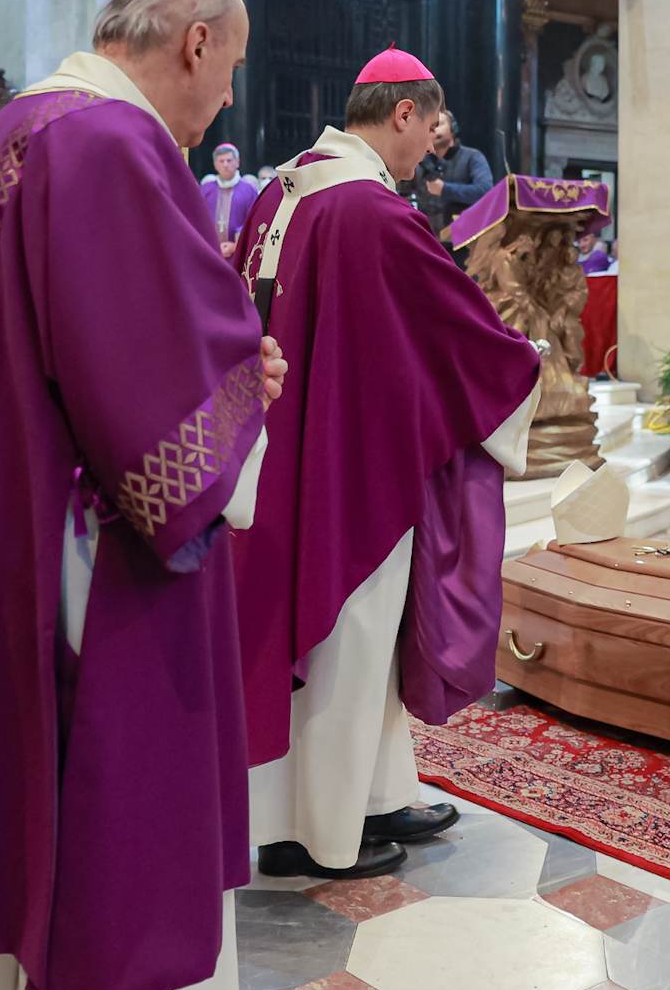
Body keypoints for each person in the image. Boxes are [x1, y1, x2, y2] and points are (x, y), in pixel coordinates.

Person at [0, 0, 286, 990]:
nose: (224, 95)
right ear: (193, 42)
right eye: (228, 67)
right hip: (84, 560)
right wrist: (244, 377)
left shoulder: (14, 127)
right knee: (90, 848)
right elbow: (143, 387)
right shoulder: (112, 142)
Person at [232, 46, 542, 881]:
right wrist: (525, 362)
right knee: (354, 631)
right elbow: (453, 323)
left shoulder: (279, 189)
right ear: (403, 112)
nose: (425, 151)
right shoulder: (372, 210)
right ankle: (322, 832)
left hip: (280, 439)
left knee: (335, 632)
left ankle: (372, 793)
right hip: (352, 456)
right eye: (427, 128)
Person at [418, 108, 493, 238]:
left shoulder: (472, 157)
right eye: (430, 127)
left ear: (453, 128)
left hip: (464, 239)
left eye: (439, 124)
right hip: (427, 238)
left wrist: (445, 190)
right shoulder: (419, 161)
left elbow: (486, 191)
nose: (434, 130)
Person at [198, 140, 259, 258]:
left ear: (237, 162)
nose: (225, 164)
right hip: (209, 251)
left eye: (229, 160)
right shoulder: (206, 189)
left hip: (238, 253)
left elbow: (254, 220)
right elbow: (198, 218)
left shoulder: (248, 190)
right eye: (221, 161)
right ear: (215, 164)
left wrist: (236, 245)